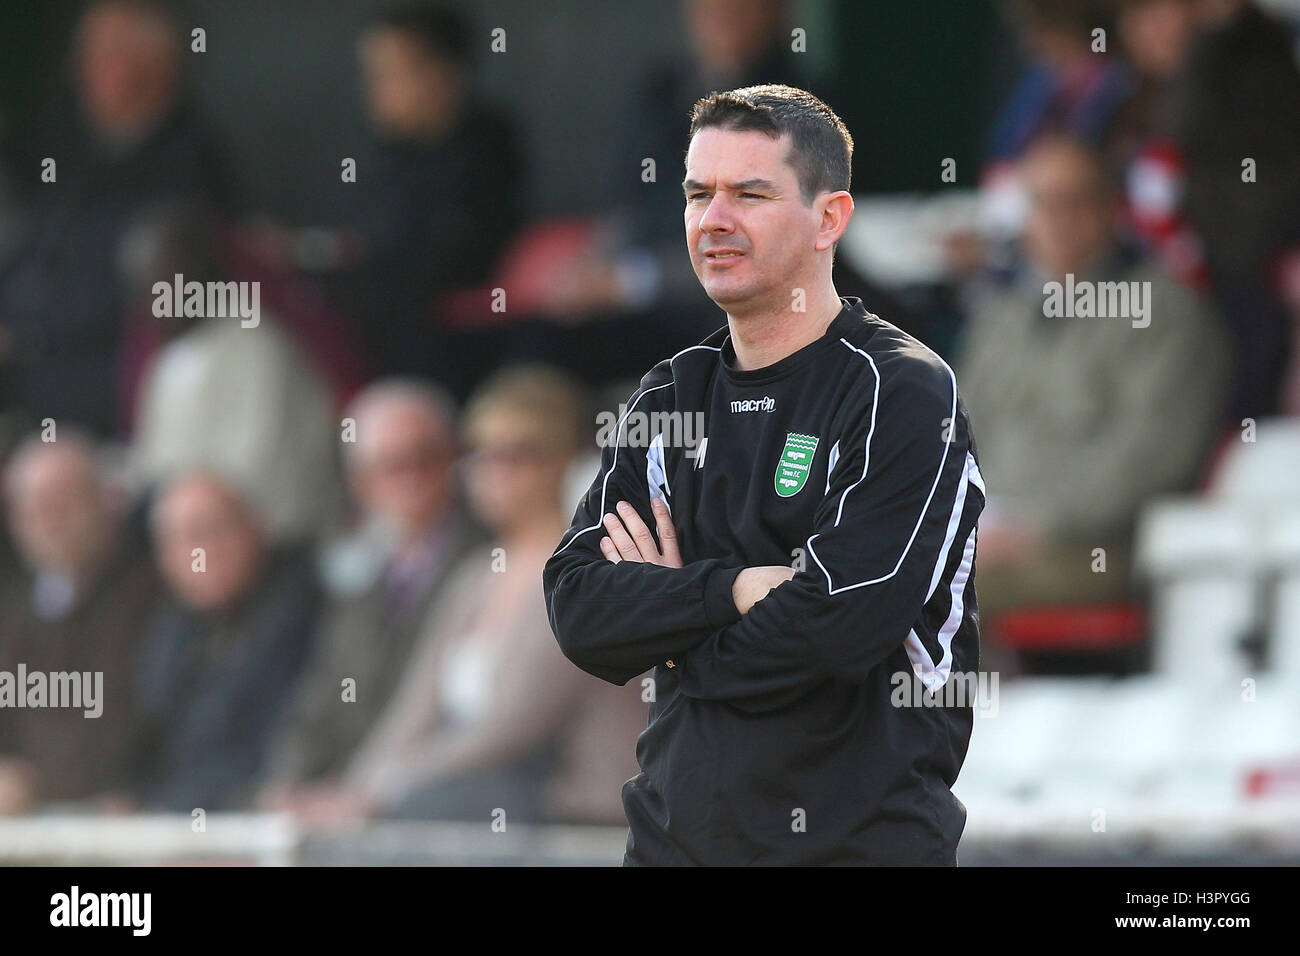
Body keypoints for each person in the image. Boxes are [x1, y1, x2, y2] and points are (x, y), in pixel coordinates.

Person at [543, 85, 985, 865]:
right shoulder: (670, 393)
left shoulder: (902, 391)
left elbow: (830, 632)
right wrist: (735, 590)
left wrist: (669, 628)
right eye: (698, 194)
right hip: (672, 843)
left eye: (750, 193)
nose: (715, 219)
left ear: (830, 218)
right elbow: (578, 608)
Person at [316, 366, 644, 823]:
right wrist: (352, 790)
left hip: (582, 811)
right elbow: (413, 711)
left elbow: (509, 728)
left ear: (564, 460)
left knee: (416, 812)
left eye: (514, 455)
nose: (489, 473)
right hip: (496, 801)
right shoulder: (475, 575)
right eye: (478, 454)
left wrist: (384, 789)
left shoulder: (586, 571)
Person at [956, 135, 1230, 648]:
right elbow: (951, 437)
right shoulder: (1001, 317)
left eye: (1076, 200)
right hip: (988, 539)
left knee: (923, 595)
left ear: (1112, 209)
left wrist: (1032, 526)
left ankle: (959, 729)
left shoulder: (1166, 313)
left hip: (1099, 549)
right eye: (1043, 203)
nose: (1059, 219)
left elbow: (1151, 456)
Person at [0, 0, 231, 435]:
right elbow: (32, 252)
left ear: (157, 66)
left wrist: (25, 329)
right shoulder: (72, 147)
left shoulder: (188, 166)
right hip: (31, 376)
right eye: (86, 53)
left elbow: (145, 298)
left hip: (108, 396)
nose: (85, 68)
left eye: (106, 53)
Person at [257, 379, 485, 814]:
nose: (412, 479)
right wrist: (286, 785)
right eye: (392, 466)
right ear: (360, 482)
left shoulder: (490, 560)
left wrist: (363, 794)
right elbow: (319, 704)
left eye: (426, 458)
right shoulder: (357, 583)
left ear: (453, 461)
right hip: (341, 803)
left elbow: (456, 721)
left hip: (430, 804)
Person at [131, 472, 319, 811]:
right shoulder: (171, 629)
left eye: (215, 529)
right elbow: (148, 742)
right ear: (164, 558)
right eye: (188, 538)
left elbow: (291, 748)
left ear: (256, 529)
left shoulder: (305, 610)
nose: (206, 552)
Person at [0, 432, 158, 813]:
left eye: (63, 502)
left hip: (127, 814)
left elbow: (134, 721)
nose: (51, 521)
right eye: (35, 508)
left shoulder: (152, 598)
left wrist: (37, 782)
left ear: (106, 503)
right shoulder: (12, 612)